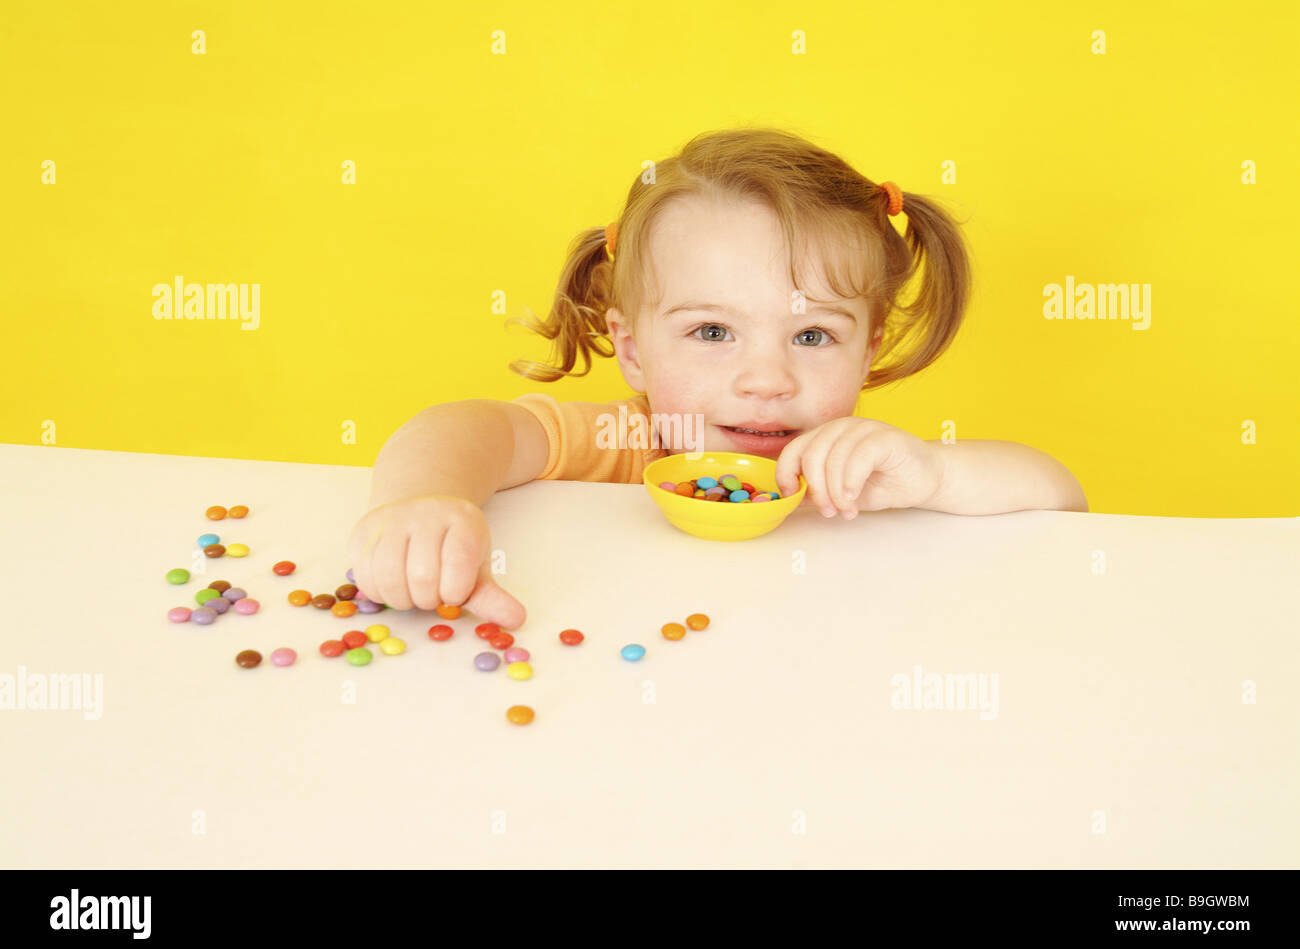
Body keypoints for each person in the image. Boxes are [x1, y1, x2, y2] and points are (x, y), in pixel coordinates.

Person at [347, 128, 1086, 628]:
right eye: (711, 332)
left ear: (868, 347)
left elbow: (1058, 496)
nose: (767, 378)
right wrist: (422, 501)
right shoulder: (628, 440)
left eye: (812, 334)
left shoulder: (865, 468)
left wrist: (936, 474)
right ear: (631, 350)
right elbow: (461, 429)